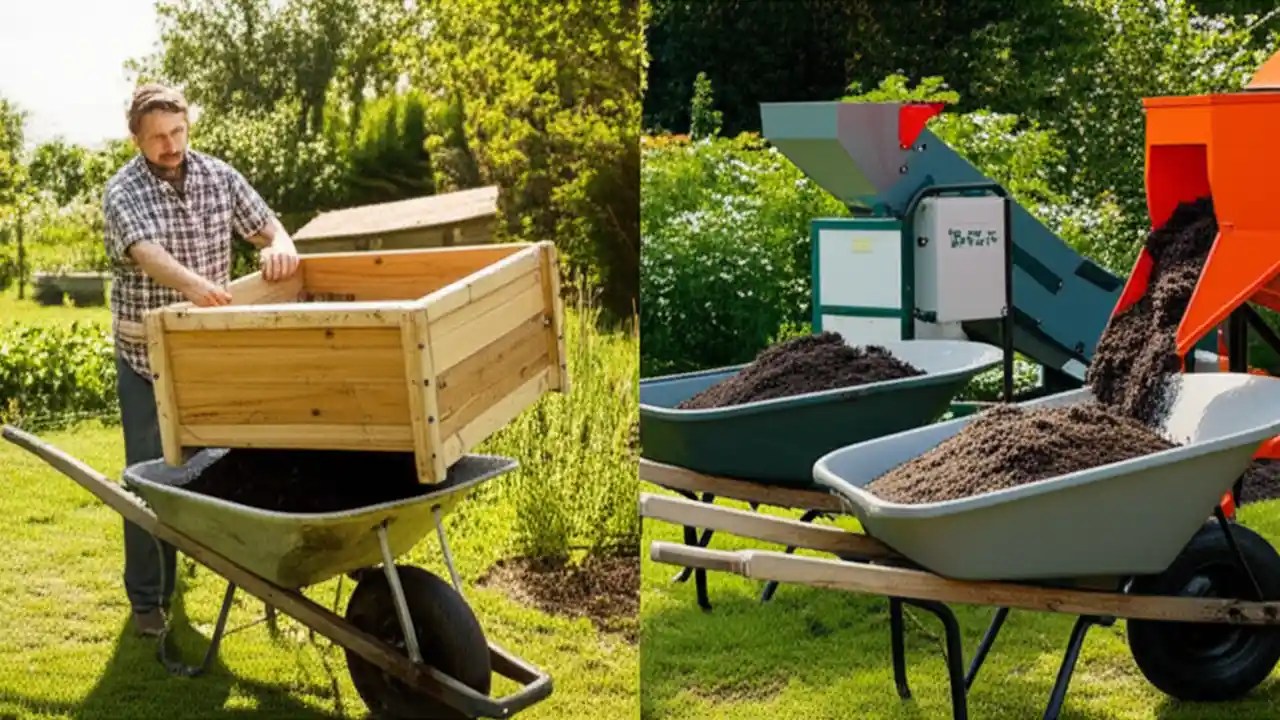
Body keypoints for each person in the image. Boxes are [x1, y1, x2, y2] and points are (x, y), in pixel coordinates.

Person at [101, 83, 300, 637]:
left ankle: (241, 565)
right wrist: (196, 288)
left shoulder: (218, 175)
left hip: (210, 355)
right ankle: (148, 599)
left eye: (178, 132)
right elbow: (146, 253)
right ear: (136, 138)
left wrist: (279, 245)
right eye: (158, 138)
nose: (171, 145)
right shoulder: (122, 191)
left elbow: (267, 225)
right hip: (146, 357)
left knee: (224, 463)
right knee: (148, 476)